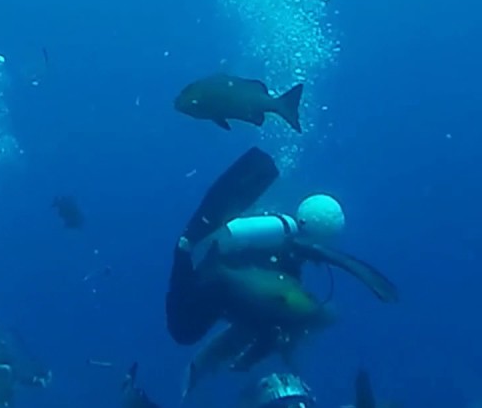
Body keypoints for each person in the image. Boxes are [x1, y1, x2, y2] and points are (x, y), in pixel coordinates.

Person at [165, 147, 399, 347]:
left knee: (190, 325)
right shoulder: (294, 247)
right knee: (189, 328)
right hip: (214, 283)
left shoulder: (279, 238)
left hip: (209, 274)